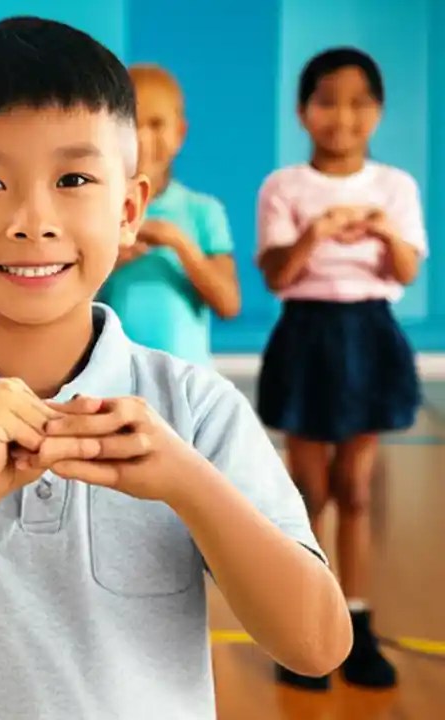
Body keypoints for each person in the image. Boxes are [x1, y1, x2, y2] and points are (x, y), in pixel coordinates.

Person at [0, 16, 352, 719]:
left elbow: (317, 645)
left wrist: (187, 483)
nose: (34, 218)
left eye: (74, 178)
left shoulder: (195, 409)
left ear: (128, 210)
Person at [255, 47, 427, 691]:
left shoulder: (396, 187)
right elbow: (275, 276)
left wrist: (384, 234)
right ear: (303, 111)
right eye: (327, 100)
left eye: (359, 102)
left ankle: (356, 623)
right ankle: (307, 626)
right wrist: (315, 233)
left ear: (378, 112)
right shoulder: (284, 186)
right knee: (310, 493)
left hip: (370, 334)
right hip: (306, 333)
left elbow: (406, 273)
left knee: (356, 489)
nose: (343, 116)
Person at [96, 63, 240, 365]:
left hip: (187, 383)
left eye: (156, 124)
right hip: (113, 378)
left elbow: (228, 304)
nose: (144, 139)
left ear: (180, 132)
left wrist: (178, 242)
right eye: (132, 125)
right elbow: (66, 303)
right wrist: (110, 260)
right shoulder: (96, 209)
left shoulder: (203, 211)